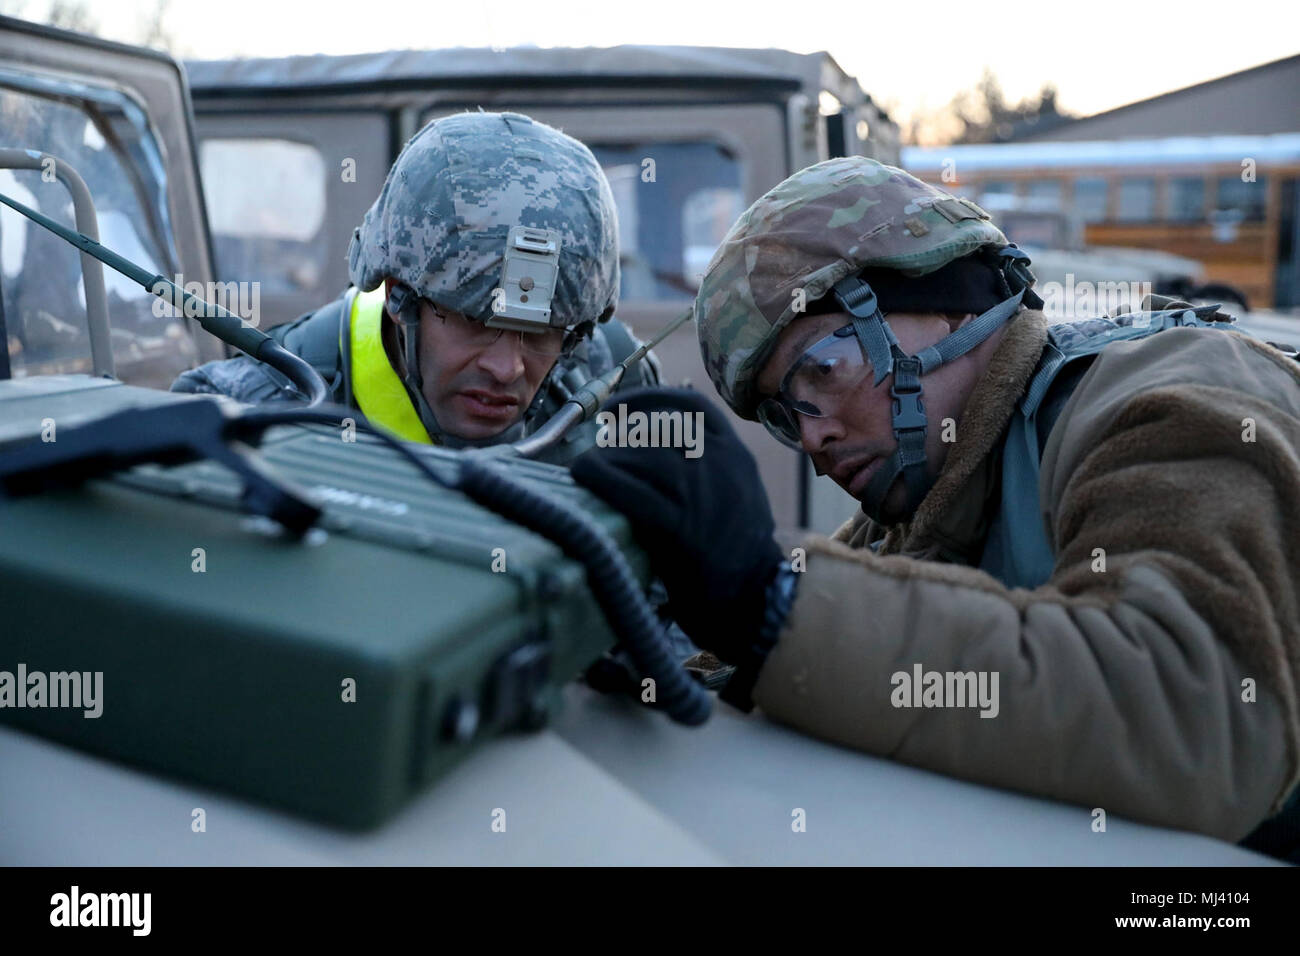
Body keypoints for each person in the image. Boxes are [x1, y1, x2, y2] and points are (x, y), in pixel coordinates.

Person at [570, 156, 1300, 860]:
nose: (815, 433)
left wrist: (771, 603)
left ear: (947, 304)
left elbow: (1192, 720)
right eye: (787, 417)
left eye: (822, 371)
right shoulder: (940, 497)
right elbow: (830, 659)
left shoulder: (1165, 397)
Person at [173, 111, 658, 463]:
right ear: (398, 297)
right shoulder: (257, 411)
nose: (507, 368)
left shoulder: (614, 377)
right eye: (474, 321)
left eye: (542, 332)